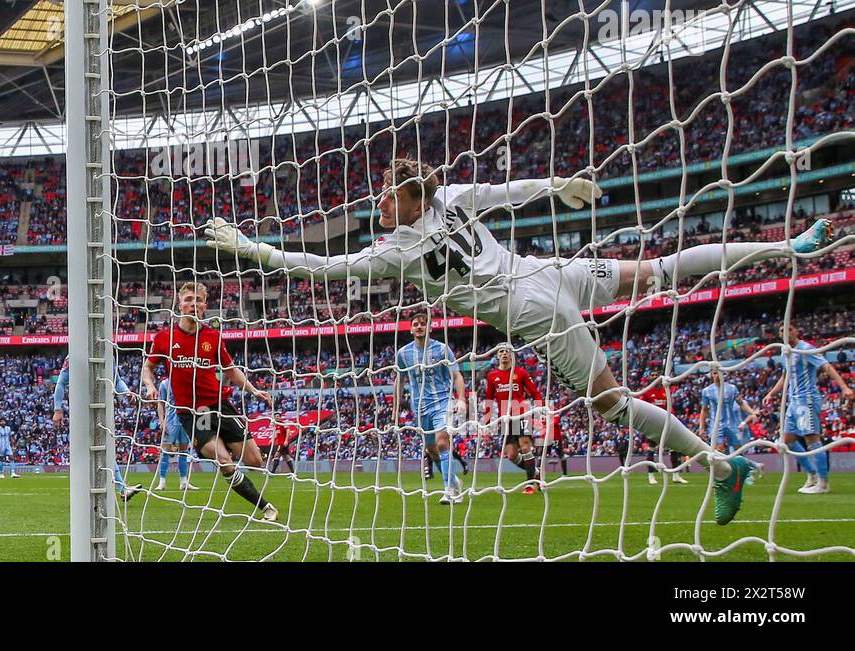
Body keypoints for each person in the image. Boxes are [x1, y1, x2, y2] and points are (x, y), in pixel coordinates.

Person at [205, 158, 839, 524]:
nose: (379, 207)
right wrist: (559, 186)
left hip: (532, 311)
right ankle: (791, 245)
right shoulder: (451, 197)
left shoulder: (395, 252)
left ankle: (720, 466)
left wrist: (250, 249)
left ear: (407, 198)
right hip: (547, 269)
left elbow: (318, 269)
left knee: (609, 403)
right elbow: (506, 193)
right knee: (662, 268)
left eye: (386, 199)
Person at [140, 281, 279, 522]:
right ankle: (266, 506)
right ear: (180, 305)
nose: (193, 304)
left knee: (255, 461)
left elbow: (231, 370)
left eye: (198, 300)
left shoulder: (213, 337)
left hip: (219, 406)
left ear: (205, 306)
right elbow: (147, 368)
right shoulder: (164, 338)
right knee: (224, 460)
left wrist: (253, 390)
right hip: (195, 412)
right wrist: (150, 385)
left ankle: (213, 447)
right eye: (188, 299)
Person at [762, 322, 855, 494]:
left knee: (813, 441)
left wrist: (844, 387)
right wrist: (771, 393)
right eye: (782, 331)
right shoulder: (785, 352)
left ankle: (824, 483)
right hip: (793, 402)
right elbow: (785, 376)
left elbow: (827, 366)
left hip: (807, 400)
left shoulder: (806, 349)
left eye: (789, 329)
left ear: (796, 331)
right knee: (786, 440)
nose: (785, 333)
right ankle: (811, 474)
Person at [394, 313, 467, 503]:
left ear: (430, 328)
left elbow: (457, 375)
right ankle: (454, 481)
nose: (419, 327)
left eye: (423, 324)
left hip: (442, 402)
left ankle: (449, 490)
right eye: (416, 324)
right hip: (419, 406)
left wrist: (461, 400)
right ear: (410, 329)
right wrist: (396, 408)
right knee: (432, 449)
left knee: (442, 442)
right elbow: (399, 380)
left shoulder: (442, 349)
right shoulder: (403, 354)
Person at [53, 357, 144, 501]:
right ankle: (113, 488)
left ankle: (119, 488)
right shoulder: (74, 356)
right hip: (82, 411)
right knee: (93, 450)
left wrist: (127, 392)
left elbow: (117, 380)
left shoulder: (109, 355)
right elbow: (61, 382)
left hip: (102, 408)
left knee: (103, 448)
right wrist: (58, 409)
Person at [482, 345, 541, 493]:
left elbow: (535, 393)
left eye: (507, 351)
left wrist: (541, 409)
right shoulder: (492, 376)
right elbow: (489, 399)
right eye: (501, 352)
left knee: (525, 447)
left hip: (521, 413)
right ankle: (536, 472)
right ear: (497, 356)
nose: (504, 354)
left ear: (512, 356)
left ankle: (529, 484)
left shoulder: (520, 372)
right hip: (505, 418)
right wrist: (487, 423)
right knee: (511, 455)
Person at [699, 370, 759, 456]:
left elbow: (741, 403)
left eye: (719, 373)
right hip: (716, 424)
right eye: (715, 373)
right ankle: (724, 468)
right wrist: (701, 427)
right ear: (712, 375)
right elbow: (704, 410)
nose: (717, 376)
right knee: (719, 450)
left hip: (732, 423)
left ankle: (743, 467)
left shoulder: (732, 388)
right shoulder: (707, 391)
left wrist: (752, 412)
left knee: (738, 450)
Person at [155, 377, 195, 490]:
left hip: (185, 420)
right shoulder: (164, 384)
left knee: (184, 451)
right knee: (165, 451)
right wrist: (162, 421)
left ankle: (184, 482)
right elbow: (160, 404)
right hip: (170, 421)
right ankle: (162, 482)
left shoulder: (187, 382)